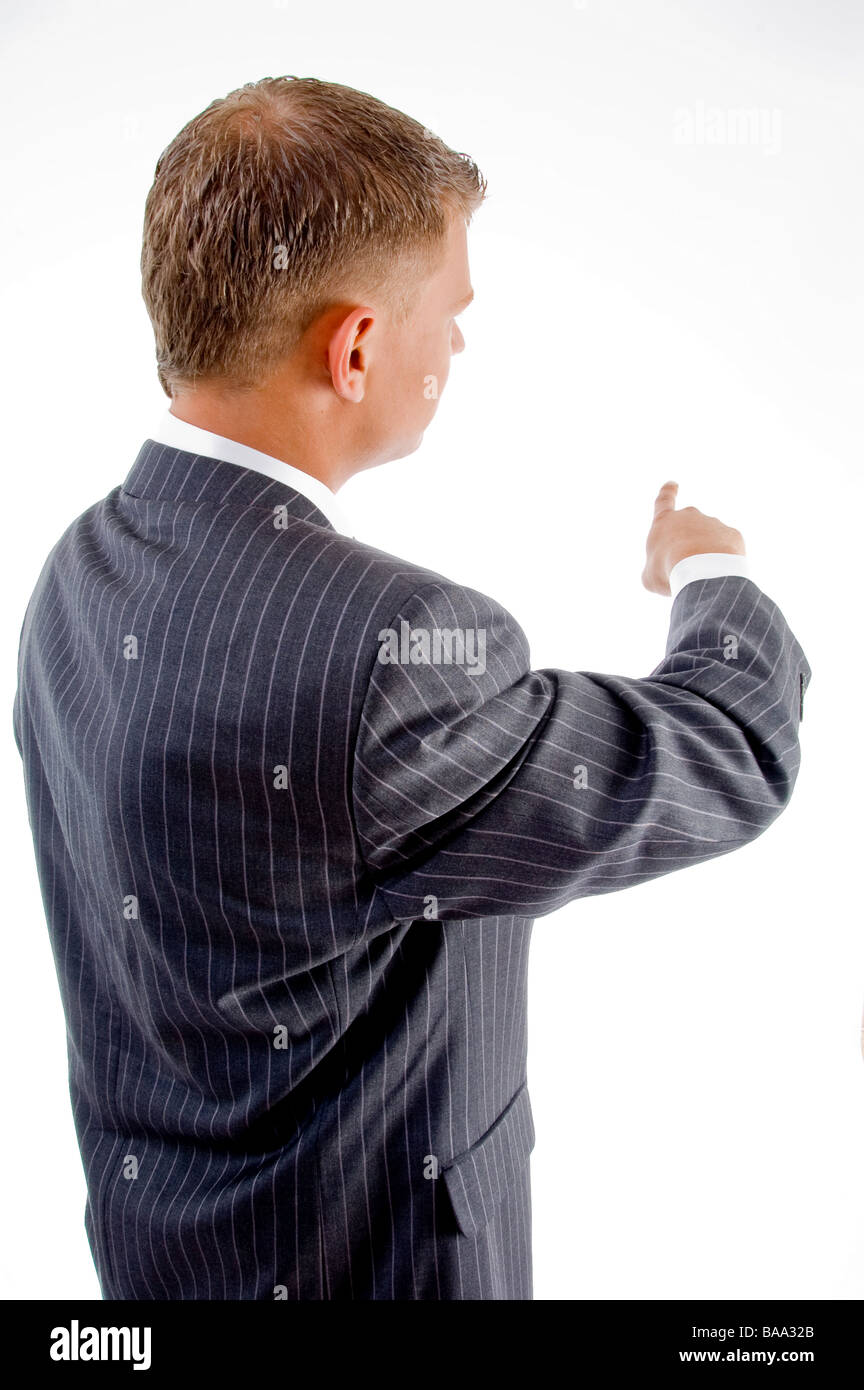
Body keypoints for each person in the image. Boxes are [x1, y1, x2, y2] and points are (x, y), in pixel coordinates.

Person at [12, 75, 811, 1300]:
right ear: (356, 347)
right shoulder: (394, 651)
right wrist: (711, 568)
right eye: (453, 310)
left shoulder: (78, 569)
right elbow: (727, 754)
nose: (462, 341)